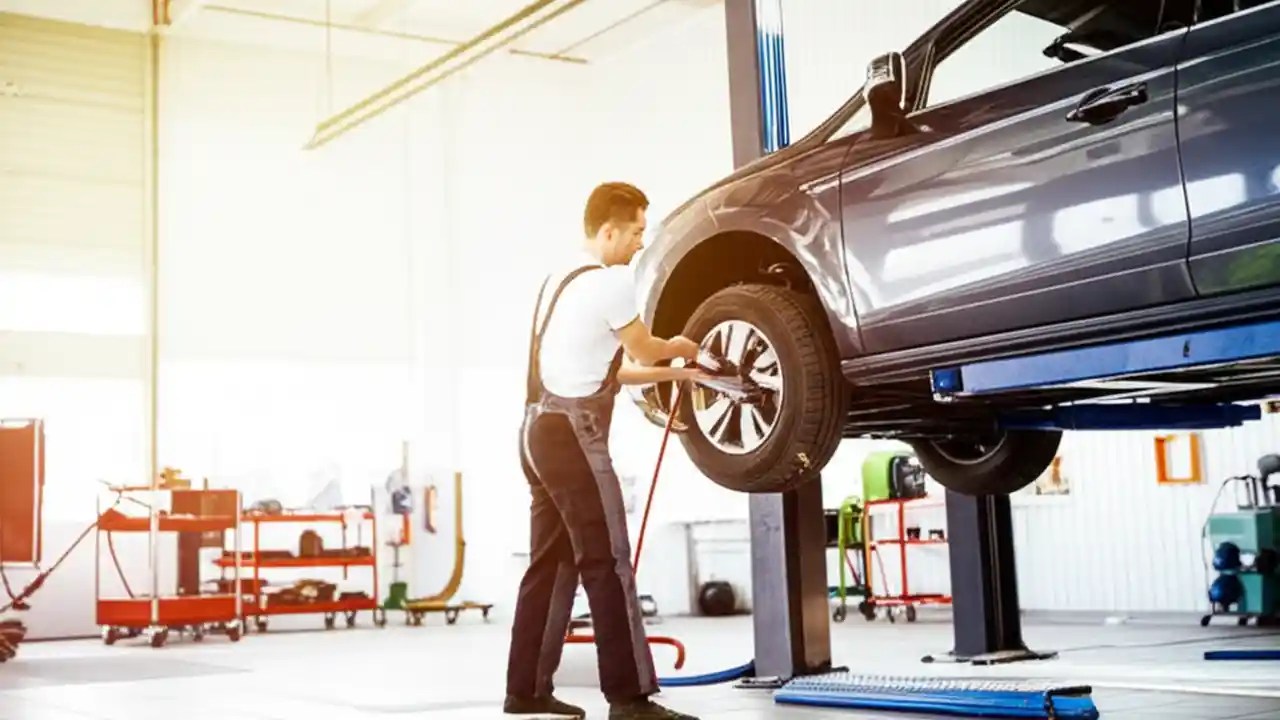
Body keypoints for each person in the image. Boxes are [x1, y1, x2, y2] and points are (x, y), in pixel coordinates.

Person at [504, 182, 704, 720]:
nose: (640, 244)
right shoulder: (613, 285)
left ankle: (525, 691)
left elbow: (616, 369)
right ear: (610, 229)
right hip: (572, 438)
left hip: (535, 431)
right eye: (637, 231)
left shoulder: (557, 283)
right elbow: (644, 347)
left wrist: (672, 372)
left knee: (549, 563)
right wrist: (682, 348)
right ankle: (630, 697)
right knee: (608, 561)